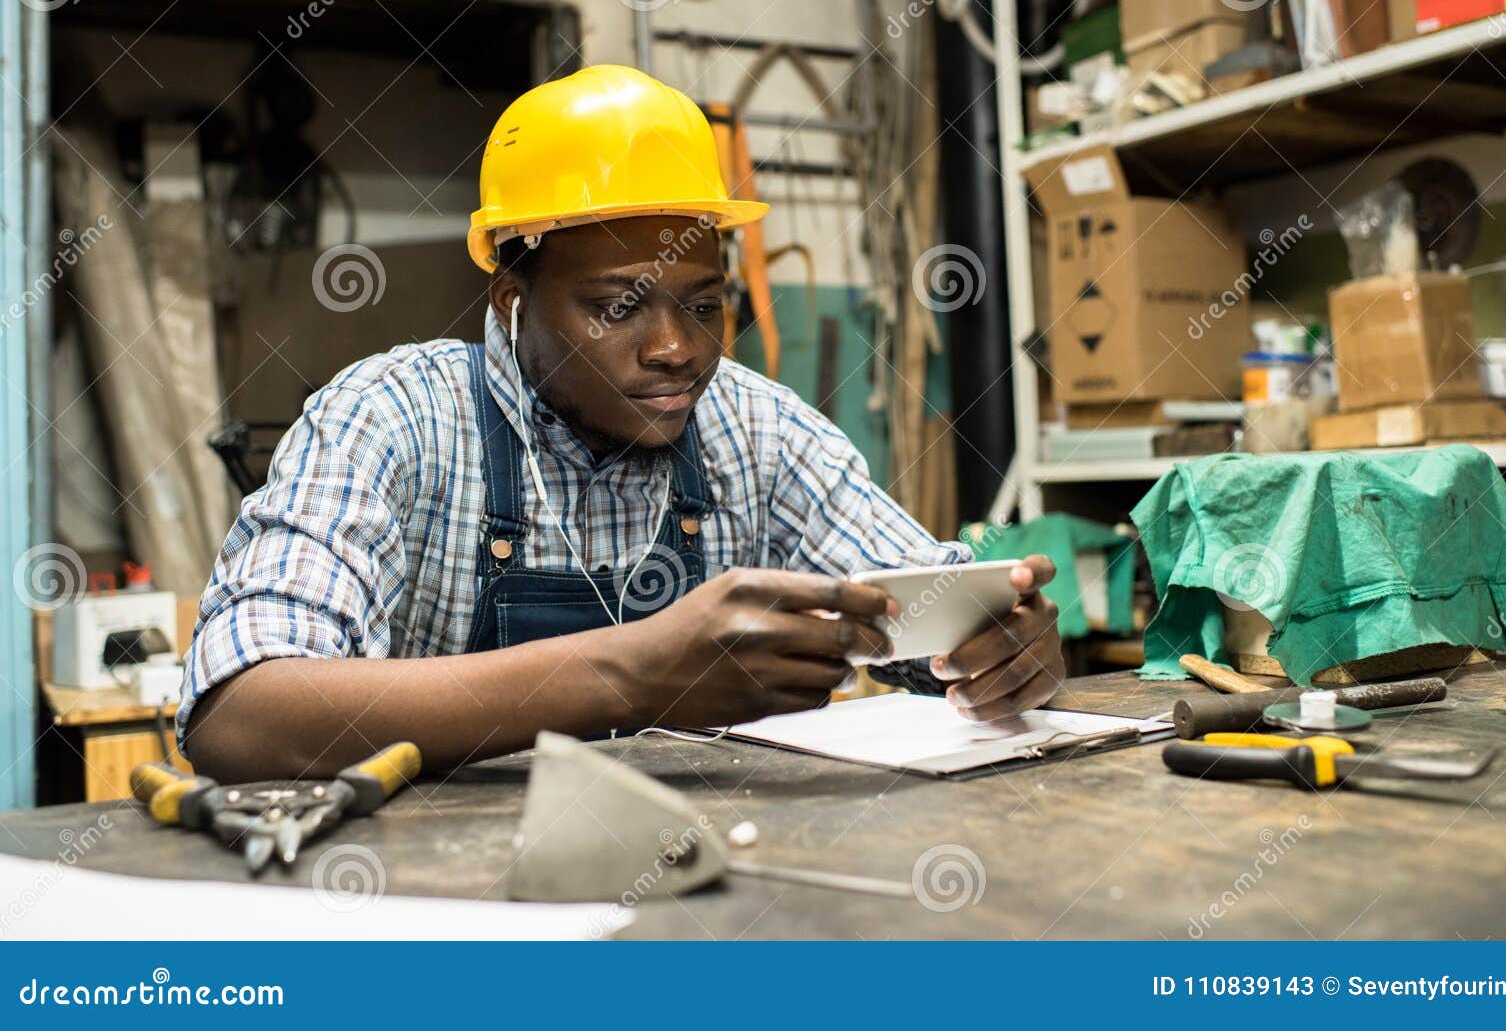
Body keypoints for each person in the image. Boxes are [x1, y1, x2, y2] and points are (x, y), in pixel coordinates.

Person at [180, 65, 1063, 780]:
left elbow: (927, 605)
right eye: (617, 308)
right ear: (513, 301)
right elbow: (241, 716)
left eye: (705, 304)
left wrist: (998, 646)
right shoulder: (393, 420)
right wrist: (635, 669)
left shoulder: (754, 429)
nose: (677, 349)